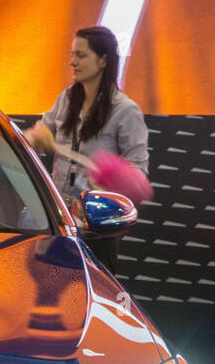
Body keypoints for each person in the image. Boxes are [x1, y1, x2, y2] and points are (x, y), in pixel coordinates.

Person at [23, 25, 148, 274]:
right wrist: (37, 136)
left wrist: (106, 190)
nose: (72, 62)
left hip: (95, 230)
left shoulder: (125, 110)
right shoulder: (66, 99)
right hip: (57, 223)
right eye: (72, 55)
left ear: (103, 60)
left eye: (81, 56)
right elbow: (35, 135)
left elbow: (138, 173)